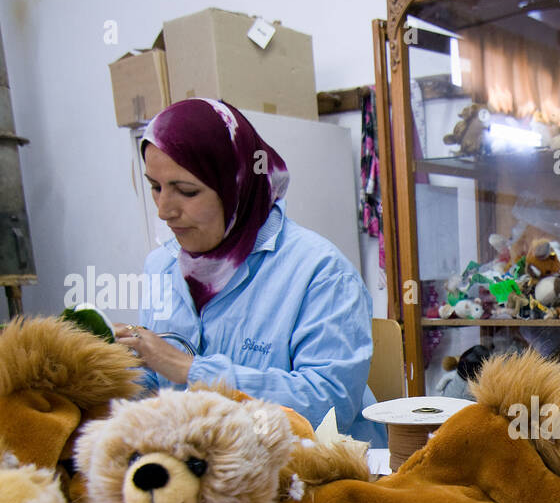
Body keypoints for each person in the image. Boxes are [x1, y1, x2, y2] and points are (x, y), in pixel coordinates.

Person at [113, 97, 384, 446]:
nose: (165, 210)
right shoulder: (162, 266)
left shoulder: (321, 273)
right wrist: (114, 371)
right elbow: (156, 384)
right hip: (209, 469)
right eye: (155, 186)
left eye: (186, 191)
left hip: (312, 476)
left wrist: (191, 371)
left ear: (237, 184)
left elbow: (328, 407)